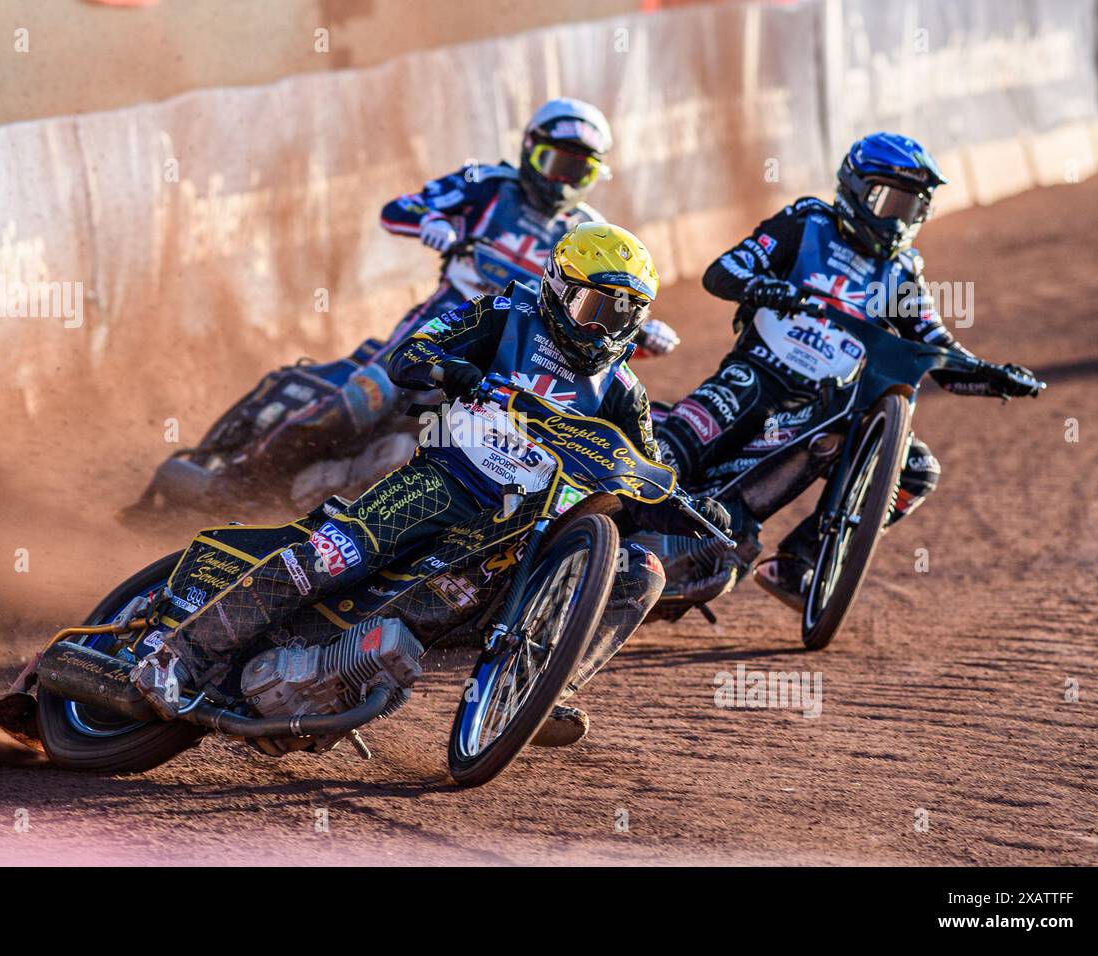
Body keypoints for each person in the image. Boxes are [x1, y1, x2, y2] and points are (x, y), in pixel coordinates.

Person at [134, 223, 726, 746]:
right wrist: (452, 369)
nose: (606, 327)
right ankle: (182, 656)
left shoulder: (626, 392)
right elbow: (412, 352)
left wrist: (696, 511)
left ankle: (539, 686)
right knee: (335, 553)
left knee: (641, 570)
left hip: (524, 531)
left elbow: (644, 477)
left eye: (626, 313)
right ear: (558, 288)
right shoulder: (505, 314)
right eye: (596, 307)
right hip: (446, 480)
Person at [654, 132, 1041, 609]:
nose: (899, 219)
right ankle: (612, 518)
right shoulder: (806, 222)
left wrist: (992, 375)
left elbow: (937, 350)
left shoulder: (903, 270)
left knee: (916, 469)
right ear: (855, 190)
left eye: (913, 208)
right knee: (685, 436)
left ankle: (801, 564)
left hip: (831, 402)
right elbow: (722, 272)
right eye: (890, 201)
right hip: (760, 372)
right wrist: (763, 287)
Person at [247, 98, 679, 499]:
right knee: (357, 402)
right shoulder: (488, 184)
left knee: (432, 448)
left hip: (510, 359)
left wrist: (638, 325)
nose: (562, 181)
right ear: (530, 151)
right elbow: (398, 209)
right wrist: (432, 220)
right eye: (554, 163)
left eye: (578, 172)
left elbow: (590, 319)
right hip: (435, 329)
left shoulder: (588, 233)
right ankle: (242, 479)